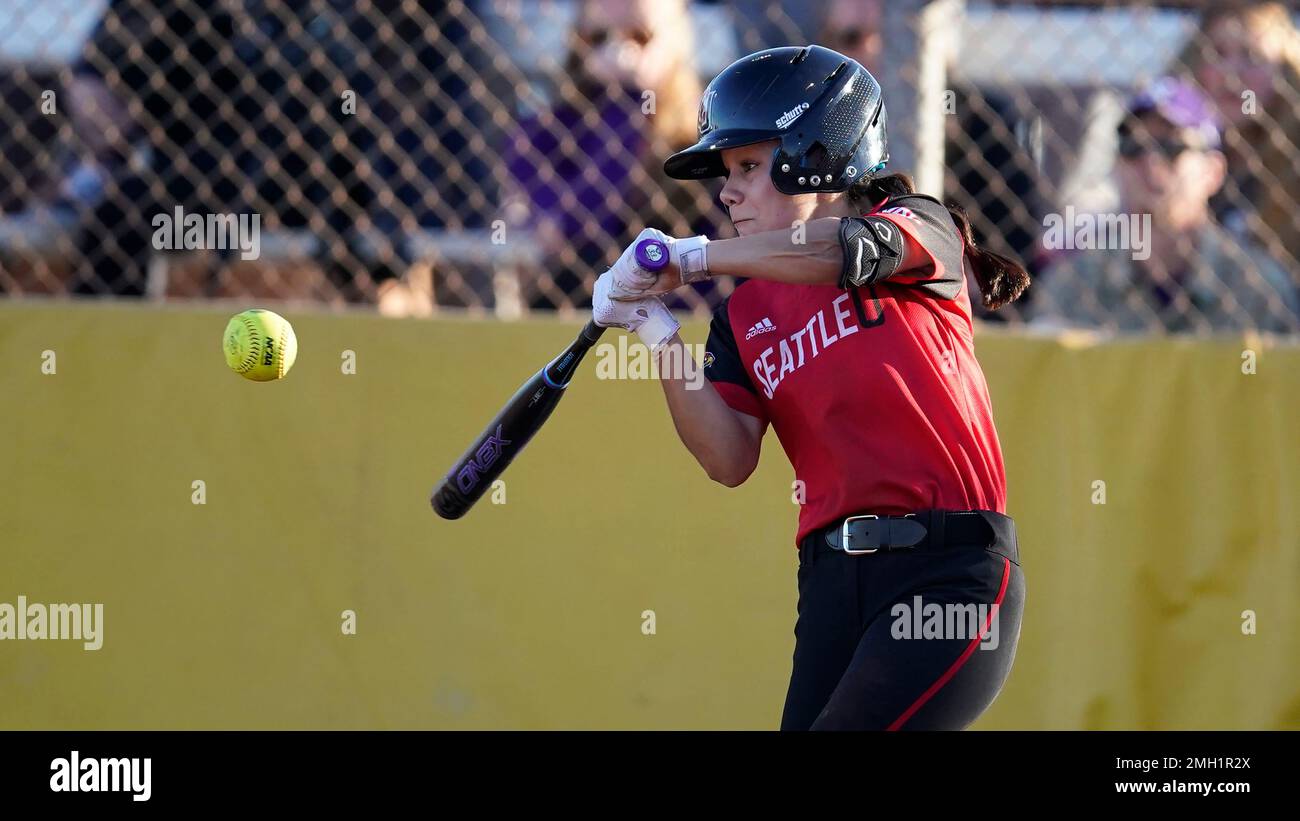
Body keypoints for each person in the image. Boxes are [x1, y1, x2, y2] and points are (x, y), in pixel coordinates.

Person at [591, 45, 1029, 730]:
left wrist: (691, 257)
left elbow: (838, 249)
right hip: (829, 582)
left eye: (747, 167)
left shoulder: (918, 225)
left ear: (817, 152)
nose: (726, 191)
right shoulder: (745, 313)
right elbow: (727, 456)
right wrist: (655, 332)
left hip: (947, 570)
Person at [1033, 78, 1297, 334]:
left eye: (1171, 147)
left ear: (1213, 172)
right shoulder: (1073, 286)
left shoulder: (1259, 290)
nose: (1151, 163)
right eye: (1133, 147)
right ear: (1117, 166)